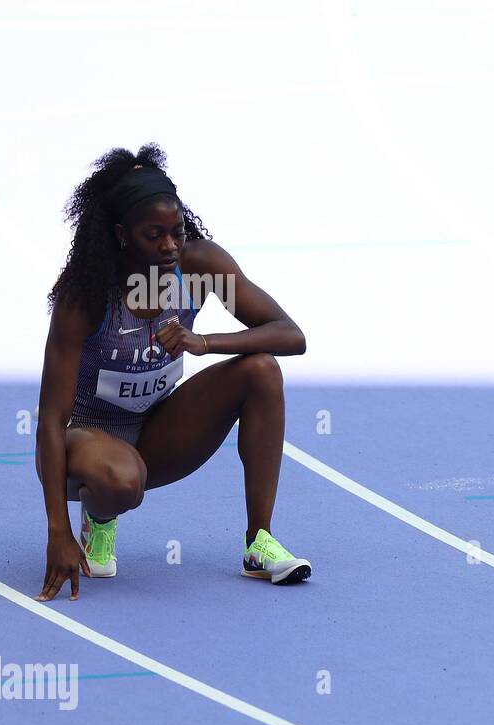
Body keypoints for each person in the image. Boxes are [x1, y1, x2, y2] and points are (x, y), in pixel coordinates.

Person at [34, 144, 311, 602]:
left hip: (156, 435)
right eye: (154, 235)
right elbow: (49, 418)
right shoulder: (85, 298)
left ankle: (259, 544)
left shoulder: (200, 270)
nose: (169, 245)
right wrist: (56, 531)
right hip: (81, 444)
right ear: (122, 236)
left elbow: (290, 335)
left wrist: (204, 342)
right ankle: (97, 520)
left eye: (177, 231)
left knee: (261, 371)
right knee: (121, 479)